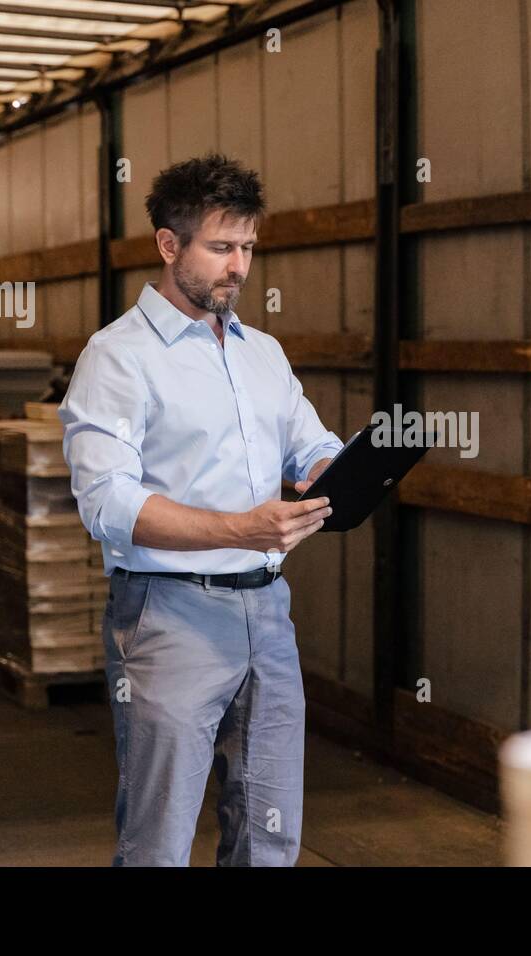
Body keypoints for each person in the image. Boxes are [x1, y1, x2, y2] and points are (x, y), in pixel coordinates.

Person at [58, 154, 341, 866]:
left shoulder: (262, 355)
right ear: (168, 245)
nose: (238, 266)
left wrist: (342, 471)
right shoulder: (117, 357)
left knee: (269, 833)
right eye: (220, 247)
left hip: (268, 616)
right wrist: (241, 527)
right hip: (168, 616)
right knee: (159, 840)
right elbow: (108, 502)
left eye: (247, 247)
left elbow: (311, 444)